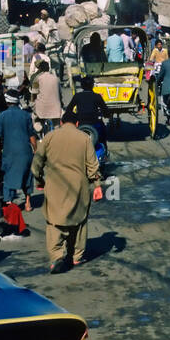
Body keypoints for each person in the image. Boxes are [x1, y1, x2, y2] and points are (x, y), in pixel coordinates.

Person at [32, 111, 100, 273]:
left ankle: (56, 257)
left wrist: (40, 180)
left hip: (55, 187)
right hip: (79, 187)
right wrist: (97, 185)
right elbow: (92, 166)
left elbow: (36, 163)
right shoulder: (84, 138)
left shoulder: (49, 137)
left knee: (54, 222)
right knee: (79, 222)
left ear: (61, 122)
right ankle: (76, 256)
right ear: (77, 124)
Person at [0, 90, 37, 238]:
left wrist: (2, 147)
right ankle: (28, 203)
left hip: (10, 151)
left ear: (7, 102)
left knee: (9, 178)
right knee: (27, 177)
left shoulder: (2, 116)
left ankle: (8, 202)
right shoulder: (25, 115)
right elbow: (31, 134)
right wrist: (36, 150)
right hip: (25, 151)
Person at [30, 60, 63, 132]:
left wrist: (32, 104)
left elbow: (34, 94)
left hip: (41, 109)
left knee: (34, 118)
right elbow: (60, 94)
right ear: (48, 68)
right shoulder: (56, 79)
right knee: (57, 125)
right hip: (55, 109)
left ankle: (39, 129)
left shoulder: (37, 79)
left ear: (40, 69)